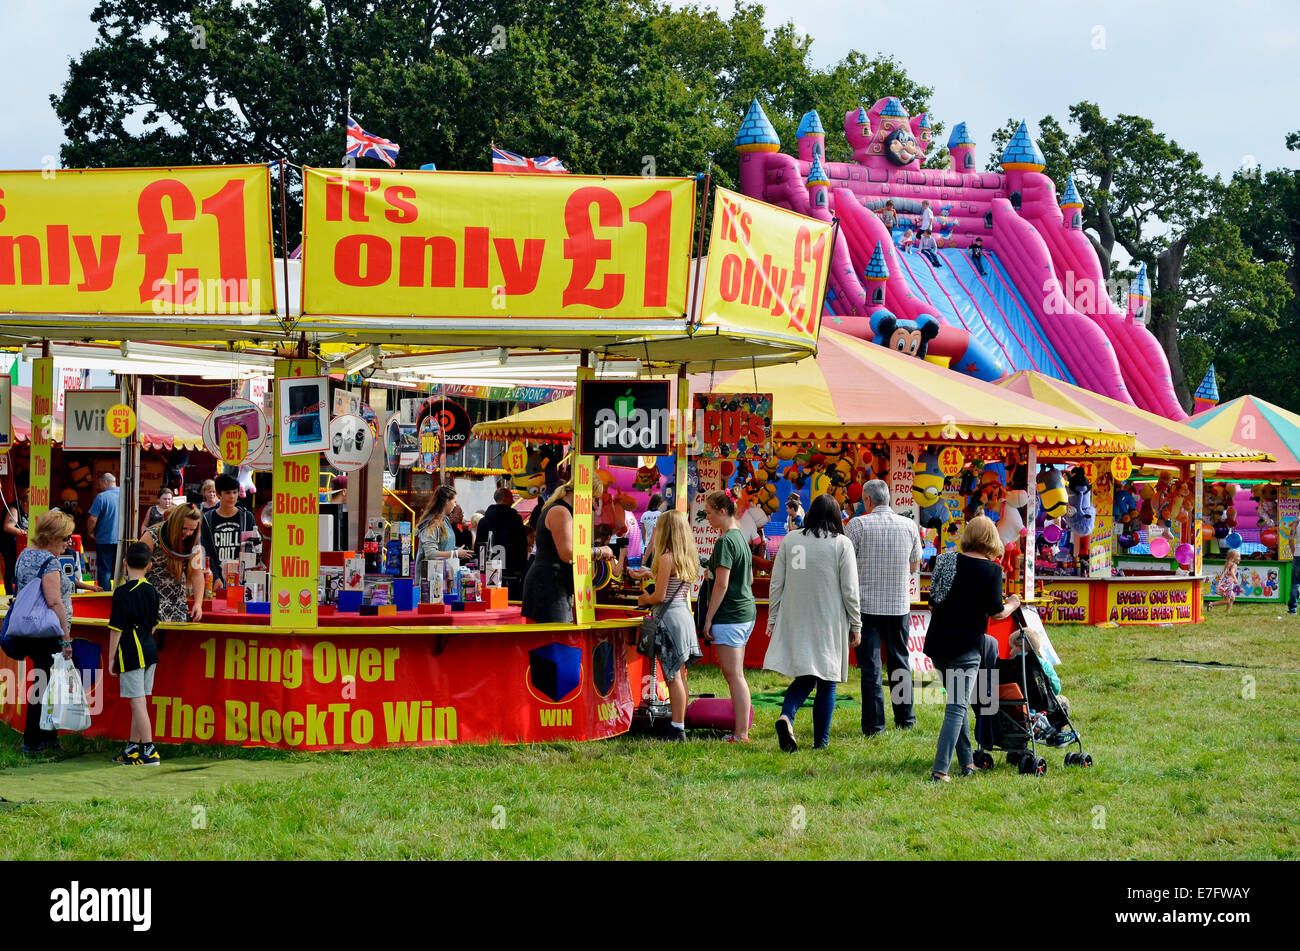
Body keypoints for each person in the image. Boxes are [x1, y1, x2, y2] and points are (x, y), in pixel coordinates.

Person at [923, 516, 1019, 781]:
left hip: (938, 644)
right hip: (966, 648)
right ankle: (940, 770)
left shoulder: (945, 560)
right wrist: (1013, 603)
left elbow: (932, 604)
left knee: (958, 703)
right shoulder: (992, 571)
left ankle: (967, 763)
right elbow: (997, 613)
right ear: (991, 539)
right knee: (957, 708)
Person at [766, 494, 861, 752]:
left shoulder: (791, 539)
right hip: (829, 619)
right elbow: (850, 590)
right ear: (836, 516)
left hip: (795, 616)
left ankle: (786, 716)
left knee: (807, 675)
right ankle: (821, 743)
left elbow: (776, 583)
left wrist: (773, 617)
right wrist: (856, 624)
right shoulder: (841, 544)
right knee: (828, 680)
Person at [846, 479, 922, 735]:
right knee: (900, 661)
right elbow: (914, 565)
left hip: (865, 606)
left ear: (867, 500)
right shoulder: (909, 525)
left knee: (871, 667)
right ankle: (905, 719)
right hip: (898, 605)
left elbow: (846, 565)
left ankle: (874, 725)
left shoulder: (857, 525)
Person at [631, 510, 701, 741]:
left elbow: (659, 596)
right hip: (684, 616)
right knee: (680, 675)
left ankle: (677, 729)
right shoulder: (686, 557)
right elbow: (671, 584)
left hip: (669, 619)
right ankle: (679, 722)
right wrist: (650, 573)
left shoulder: (666, 557)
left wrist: (644, 599)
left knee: (672, 677)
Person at [12, 511, 76, 754]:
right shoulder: (49, 561)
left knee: (44, 684)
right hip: (48, 632)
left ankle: (46, 738)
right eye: (65, 538)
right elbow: (54, 602)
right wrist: (66, 639)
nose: (68, 543)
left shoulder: (25, 554)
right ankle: (33, 742)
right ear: (51, 537)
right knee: (44, 687)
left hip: (29, 630)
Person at [701, 489, 756, 742]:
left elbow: (721, 584)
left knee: (734, 676)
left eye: (709, 513)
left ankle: (741, 733)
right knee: (736, 675)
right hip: (745, 612)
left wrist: (708, 618)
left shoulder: (725, 541)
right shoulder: (740, 537)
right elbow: (749, 578)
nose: (707, 518)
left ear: (722, 511)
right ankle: (740, 729)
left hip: (730, 615)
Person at [521, 481, 615, 623]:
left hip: (554, 585)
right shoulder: (560, 511)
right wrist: (599, 551)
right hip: (548, 587)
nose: (594, 504)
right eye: (593, 498)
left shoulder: (562, 510)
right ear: (582, 493)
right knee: (556, 635)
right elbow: (567, 553)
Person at [107, 542, 162, 765]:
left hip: (132, 651)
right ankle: (132, 748)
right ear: (149, 565)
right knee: (140, 702)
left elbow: (116, 629)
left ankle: (149, 750)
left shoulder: (122, 592)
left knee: (137, 702)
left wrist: (111, 658)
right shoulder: (152, 590)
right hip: (150, 650)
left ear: (124, 563)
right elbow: (155, 624)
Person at [140, 503, 205, 623]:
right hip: (150, 599)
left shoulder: (193, 542)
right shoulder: (152, 535)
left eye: (192, 529)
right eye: (184, 528)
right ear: (175, 524)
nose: (188, 533)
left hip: (177, 603)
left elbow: (197, 573)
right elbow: (137, 568)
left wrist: (198, 603)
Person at [201, 473, 261, 586]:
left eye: (235, 492)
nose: (232, 496)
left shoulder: (247, 517)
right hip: (216, 579)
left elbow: (253, 549)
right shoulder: (207, 519)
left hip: (242, 579)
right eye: (228, 493)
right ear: (219, 494)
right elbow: (206, 550)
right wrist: (215, 577)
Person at [475, 486, 528, 595]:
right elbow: (522, 545)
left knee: (493, 598)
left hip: (490, 569)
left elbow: (479, 547)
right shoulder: (515, 520)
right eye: (511, 498)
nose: (513, 501)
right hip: (512, 571)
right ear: (505, 498)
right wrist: (521, 569)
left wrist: (482, 568)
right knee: (511, 600)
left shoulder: (483, 521)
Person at [415, 487, 473, 580]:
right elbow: (431, 553)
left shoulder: (444, 520)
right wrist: (455, 553)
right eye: (454, 501)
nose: (455, 505)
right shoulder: (432, 523)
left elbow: (443, 546)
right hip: (430, 580)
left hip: (442, 577)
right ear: (447, 501)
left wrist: (458, 551)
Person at [87, 472, 122, 590]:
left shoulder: (101, 497)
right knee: (122, 570)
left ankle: (104, 595)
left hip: (104, 539)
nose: (100, 487)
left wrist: (90, 532)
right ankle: (121, 593)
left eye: (100, 484)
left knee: (104, 571)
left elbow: (92, 519)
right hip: (123, 539)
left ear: (105, 482)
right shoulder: (126, 495)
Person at [2, 483, 29, 598]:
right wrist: (25, 532)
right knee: (11, 567)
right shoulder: (14, 508)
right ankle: (9, 594)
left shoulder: (27, 510)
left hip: (22, 545)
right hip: (9, 544)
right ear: (24, 502)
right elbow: (7, 527)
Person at [1209, 549, 1242, 615]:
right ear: (1233, 557)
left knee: (1232, 598)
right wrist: (1235, 579)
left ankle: (1227, 611)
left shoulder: (1228, 563)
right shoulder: (1234, 565)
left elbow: (1226, 572)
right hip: (1228, 584)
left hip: (1225, 583)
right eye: (1238, 556)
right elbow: (1232, 572)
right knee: (1226, 601)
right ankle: (1212, 604)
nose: (1240, 558)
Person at [639, 494, 667, 566]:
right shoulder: (662, 515)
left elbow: (643, 534)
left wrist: (646, 544)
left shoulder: (644, 515)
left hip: (647, 547)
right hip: (659, 547)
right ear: (660, 503)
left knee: (647, 570)